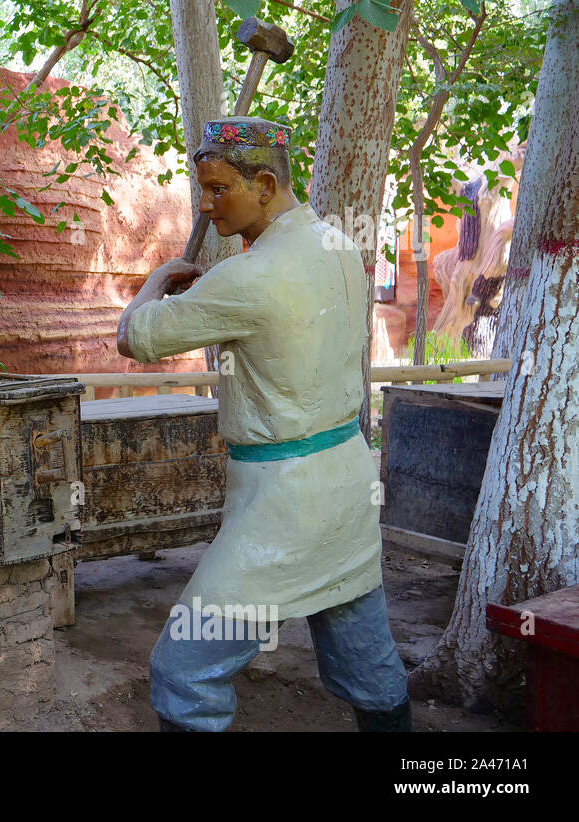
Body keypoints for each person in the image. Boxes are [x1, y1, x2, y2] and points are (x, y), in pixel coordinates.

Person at [117, 117, 410, 732]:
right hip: (346, 478)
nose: (207, 203)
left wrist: (155, 285)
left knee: (184, 668)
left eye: (220, 189)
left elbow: (135, 337)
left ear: (267, 184)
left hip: (285, 502)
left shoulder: (246, 277)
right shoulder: (340, 248)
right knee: (367, 657)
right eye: (204, 188)